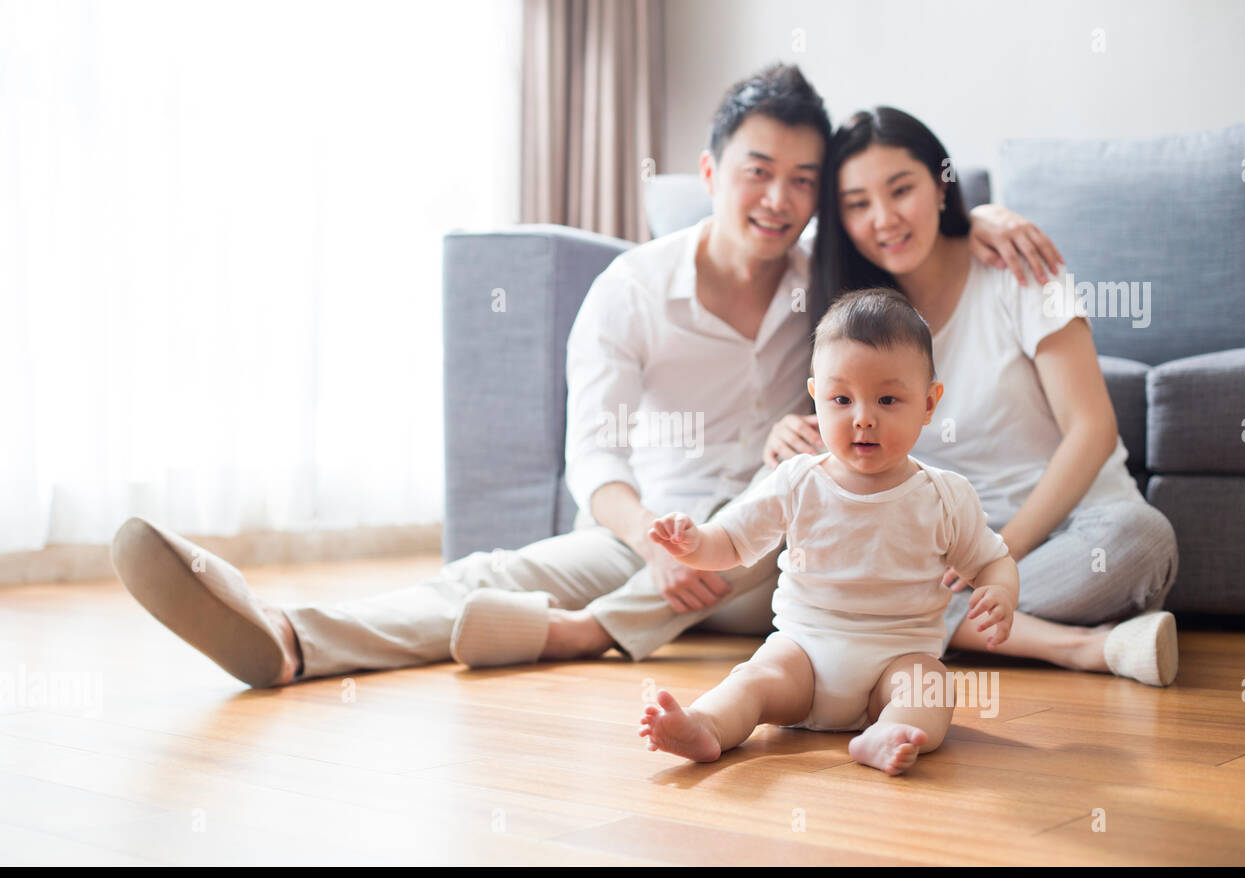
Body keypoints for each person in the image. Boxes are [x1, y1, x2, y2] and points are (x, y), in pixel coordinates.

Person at [109, 67, 1064, 688]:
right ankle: (289, 637)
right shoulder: (632, 289)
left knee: (790, 540)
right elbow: (596, 454)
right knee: (496, 574)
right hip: (648, 533)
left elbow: (904, 252)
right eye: (758, 171)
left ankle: (567, 635)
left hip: (778, 547)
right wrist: (653, 543)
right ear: (709, 170)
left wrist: (973, 220)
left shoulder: (830, 279)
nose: (781, 200)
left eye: (804, 181)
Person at [765, 106, 1179, 687]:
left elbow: (1093, 430)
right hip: (946, 552)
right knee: (836, 572)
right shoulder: (856, 316)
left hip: (1070, 528)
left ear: (941, 185)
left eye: (901, 189)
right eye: (857, 204)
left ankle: (918, 627)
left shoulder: (1017, 267)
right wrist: (787, 433)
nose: (883, 218)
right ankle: (1082, 646)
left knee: (1143, 543)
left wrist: (1000, 555)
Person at [638, 289, 1017, 774]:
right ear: (816, 397)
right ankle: (706, 725)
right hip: (803, 654)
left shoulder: (945, 496)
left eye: (887, 399)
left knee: (932, 686)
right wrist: (694, 544)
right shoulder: (798, 481)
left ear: (928, 403)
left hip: (897, 659)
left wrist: (1000, 592)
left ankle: (885, 734)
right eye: (842, 399)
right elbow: (732, 541)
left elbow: (991, 562)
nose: (863, 417)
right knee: (753, 679)